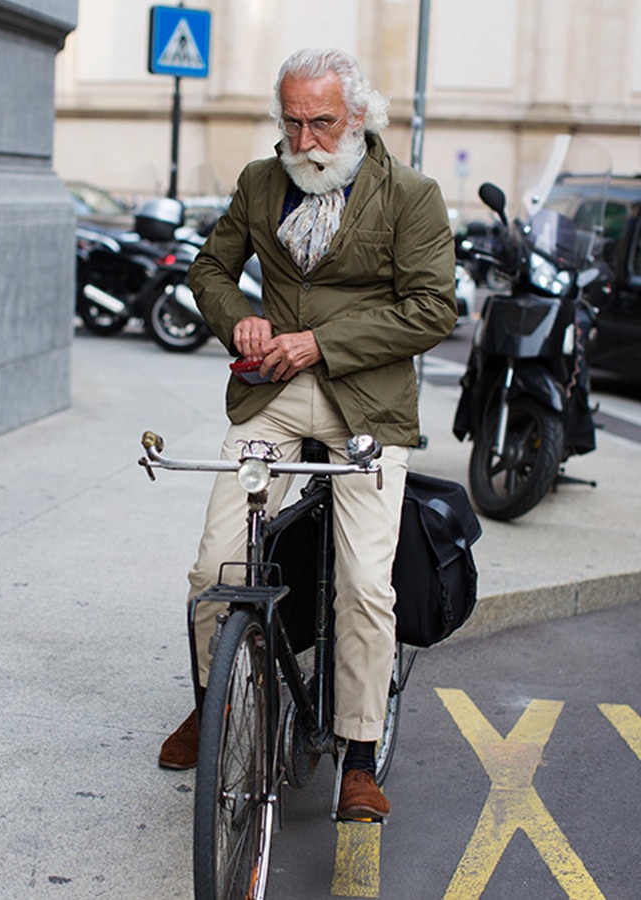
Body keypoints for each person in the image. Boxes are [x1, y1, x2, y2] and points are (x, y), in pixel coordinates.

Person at [158, 47, 457, 821]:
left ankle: (358, 755)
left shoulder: (412, 196)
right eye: (291, 121)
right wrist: (240, 319)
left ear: (358, 116)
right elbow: (207, 272)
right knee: (211, 568)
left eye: (321, 122)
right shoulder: (262, 182)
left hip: (367, 404)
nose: (305, 139)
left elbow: (433, 311)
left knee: (364, 583)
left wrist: (323, 343)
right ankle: (212, 700)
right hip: (276, 398)